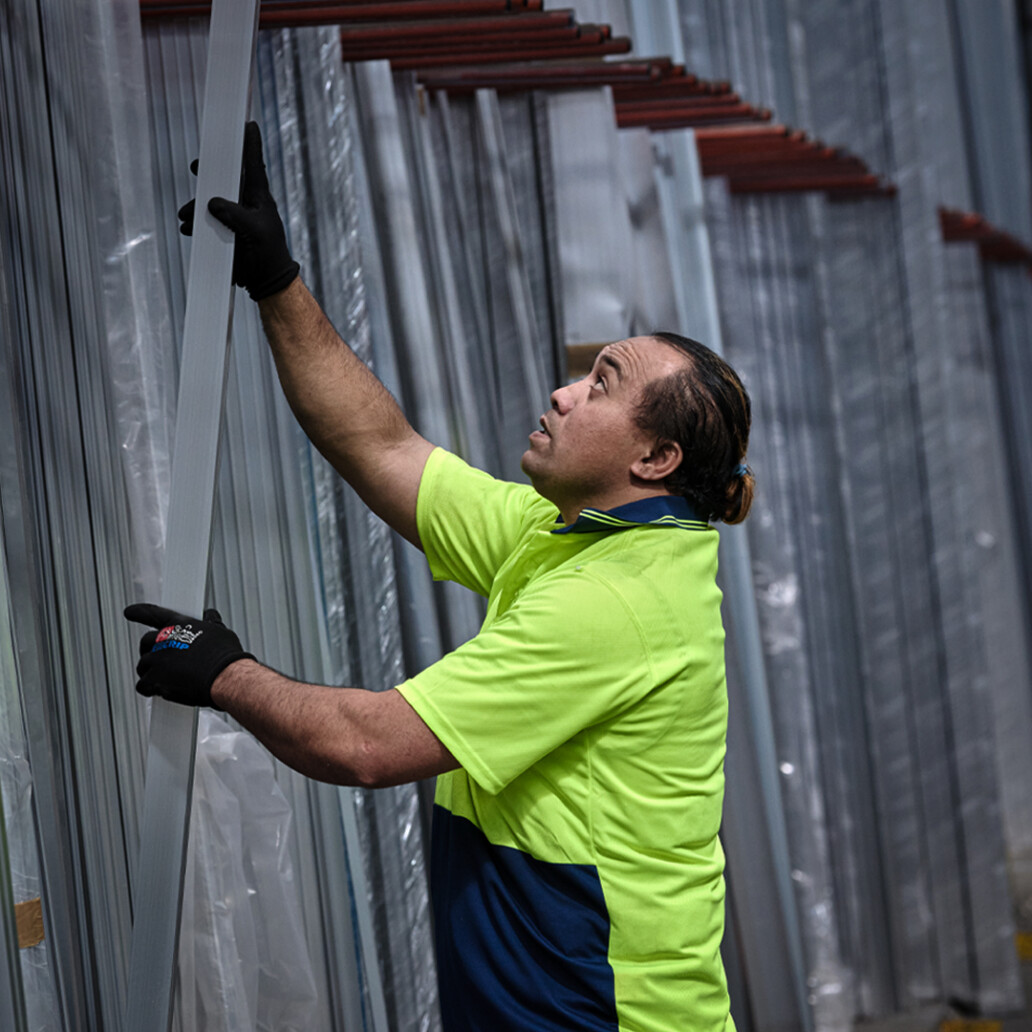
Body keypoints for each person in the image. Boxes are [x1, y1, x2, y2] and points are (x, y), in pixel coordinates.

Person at [126, 122, 754, 1032]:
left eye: (602, 385)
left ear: (655, 458)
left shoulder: (613, 603)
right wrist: (276, 280)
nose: (565, 391)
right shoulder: (571, 534)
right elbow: (382, 447)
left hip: (603, 1015)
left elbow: (369, 746)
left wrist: (223, 671)